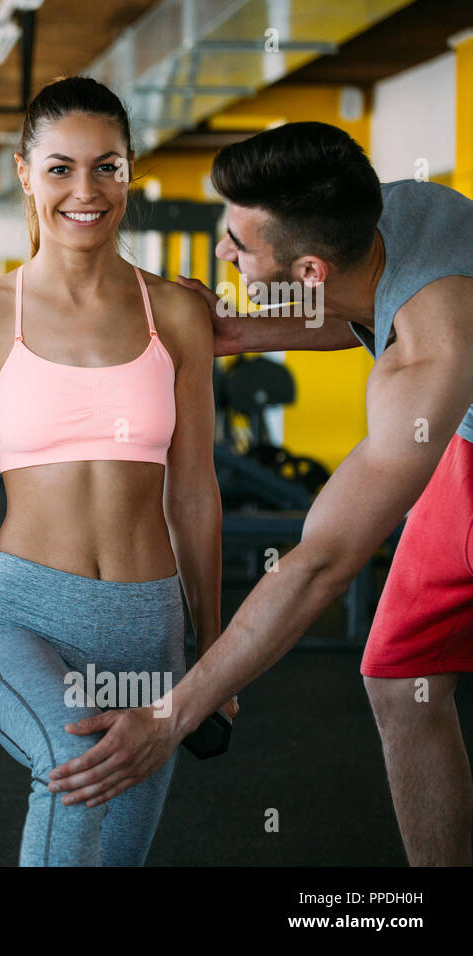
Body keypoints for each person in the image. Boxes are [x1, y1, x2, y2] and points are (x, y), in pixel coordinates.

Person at [49, 121, 473, 867]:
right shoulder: (381, 213)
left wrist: (170, 715)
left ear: (306, 269)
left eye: (239, 247)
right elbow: (370, 306)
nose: (221, 253)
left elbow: (320, 563)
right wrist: (242, 332)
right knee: (399, 676)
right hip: (463, 444)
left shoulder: (429, 363)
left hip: (451, 422)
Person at [0, 77, 225, 865]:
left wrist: (213, 656)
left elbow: (193, 493)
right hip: (16, 615)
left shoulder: (177, 315)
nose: (86, 191)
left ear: (128, 173)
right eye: (60, 168)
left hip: (147, 629)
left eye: (107, 167)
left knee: (110, 851)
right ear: (24, 172)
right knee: (78, 767)